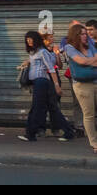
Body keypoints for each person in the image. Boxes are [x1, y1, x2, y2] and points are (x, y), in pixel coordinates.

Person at [17, 30, 76, 142]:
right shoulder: (33, 53)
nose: (28, 41)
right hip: (38, 82)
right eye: (27, 39)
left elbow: (51, 69)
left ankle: (31, 134)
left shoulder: (42, 52)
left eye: (31, 39)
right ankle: (69, 132)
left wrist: (57, 86)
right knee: (53, 108)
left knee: (36, 108)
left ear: (36, 40)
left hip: (42, 82)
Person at [61, 22, 97, 154]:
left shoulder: (90, 46)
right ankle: (94, 143)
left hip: (95, 81)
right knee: (89, 115)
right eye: (82, 34)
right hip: (82, 85)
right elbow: (81, 61)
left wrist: (89, 62)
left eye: (86, 33)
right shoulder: (69, 48)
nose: (85, 36)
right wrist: (91, 61)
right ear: (75, 35)